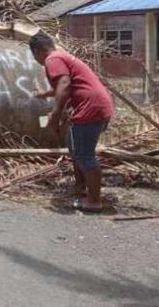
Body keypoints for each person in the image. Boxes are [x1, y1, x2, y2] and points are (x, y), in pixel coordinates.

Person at [29, 32, 114, 212]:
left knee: (84, 154)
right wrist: (45, 94)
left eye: (34, 56)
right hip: (99, 105)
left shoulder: (52, 59)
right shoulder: (62, 56)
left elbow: (65, 84)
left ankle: (94, 201)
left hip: (90, 109)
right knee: (75, 147)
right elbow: (69, 83)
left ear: (37, 51)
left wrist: (56, 113)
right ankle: (81, 187)